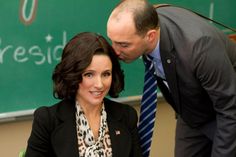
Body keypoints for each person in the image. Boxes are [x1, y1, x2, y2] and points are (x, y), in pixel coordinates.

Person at [107, 0, 236, 157]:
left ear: (150, 36)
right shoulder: (148, 20)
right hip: (190, 111)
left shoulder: (199, 49)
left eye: (124, 45)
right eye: (112, 41)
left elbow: (230, 110)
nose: (115, 51)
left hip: (225, 112)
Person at [25, 32, 142, 157]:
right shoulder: (47, 120)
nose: (99, 84)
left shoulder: (127, 116)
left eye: (106, 74)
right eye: (89, 74)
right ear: (73, 75)